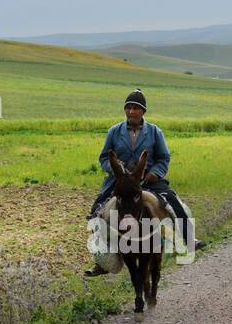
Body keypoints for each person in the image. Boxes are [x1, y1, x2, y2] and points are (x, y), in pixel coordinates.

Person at [85, 89, 204, 277]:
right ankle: (102, 261)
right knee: (97, 211)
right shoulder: (114, 132)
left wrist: (154, 173)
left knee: (171, 201)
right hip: (121, 182)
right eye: (129, 108)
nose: (132, 112)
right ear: (125, 110)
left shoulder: (155, 132)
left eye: (136, 108)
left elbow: (164, 157)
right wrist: (116, 171)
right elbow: (103, 158)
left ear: (143, 112)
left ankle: (188, 239)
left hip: (148, 180)